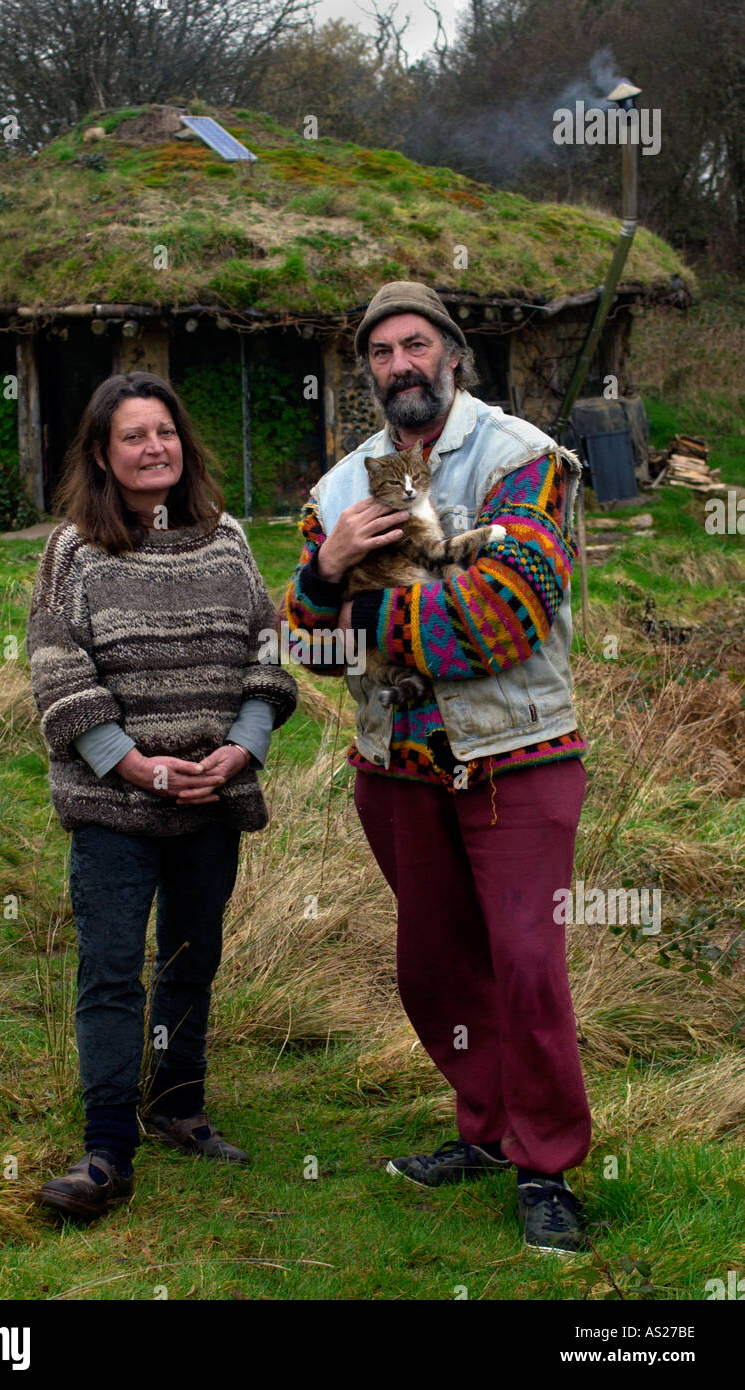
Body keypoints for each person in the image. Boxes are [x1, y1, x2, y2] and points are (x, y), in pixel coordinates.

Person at [284, 282, 592, 1255]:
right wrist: (318, 576)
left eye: (413, 345)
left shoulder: (521, 459)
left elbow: (503, 616)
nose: (397, 365)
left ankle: (547, 1165)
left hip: (515, 756)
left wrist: (358, 610)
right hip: (397, 767)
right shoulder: (341, 491)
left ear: (450, 354)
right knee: (434, 969)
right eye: (379, 353)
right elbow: (314, 653)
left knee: (528, 966)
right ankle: (487, 1131)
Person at [26, 371, 297, 1220]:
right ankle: (108, 1149)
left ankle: (178, 1106)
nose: (154, 448)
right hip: (113, 803)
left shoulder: (228, 542)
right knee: (111, 969)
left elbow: (267, 649)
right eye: (134, 436)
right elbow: (57, 670)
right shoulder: (74, 551)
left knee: (191, 957)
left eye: (166, 432)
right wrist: (131, 764)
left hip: (211, 798)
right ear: (102, 456)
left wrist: (241, 748)